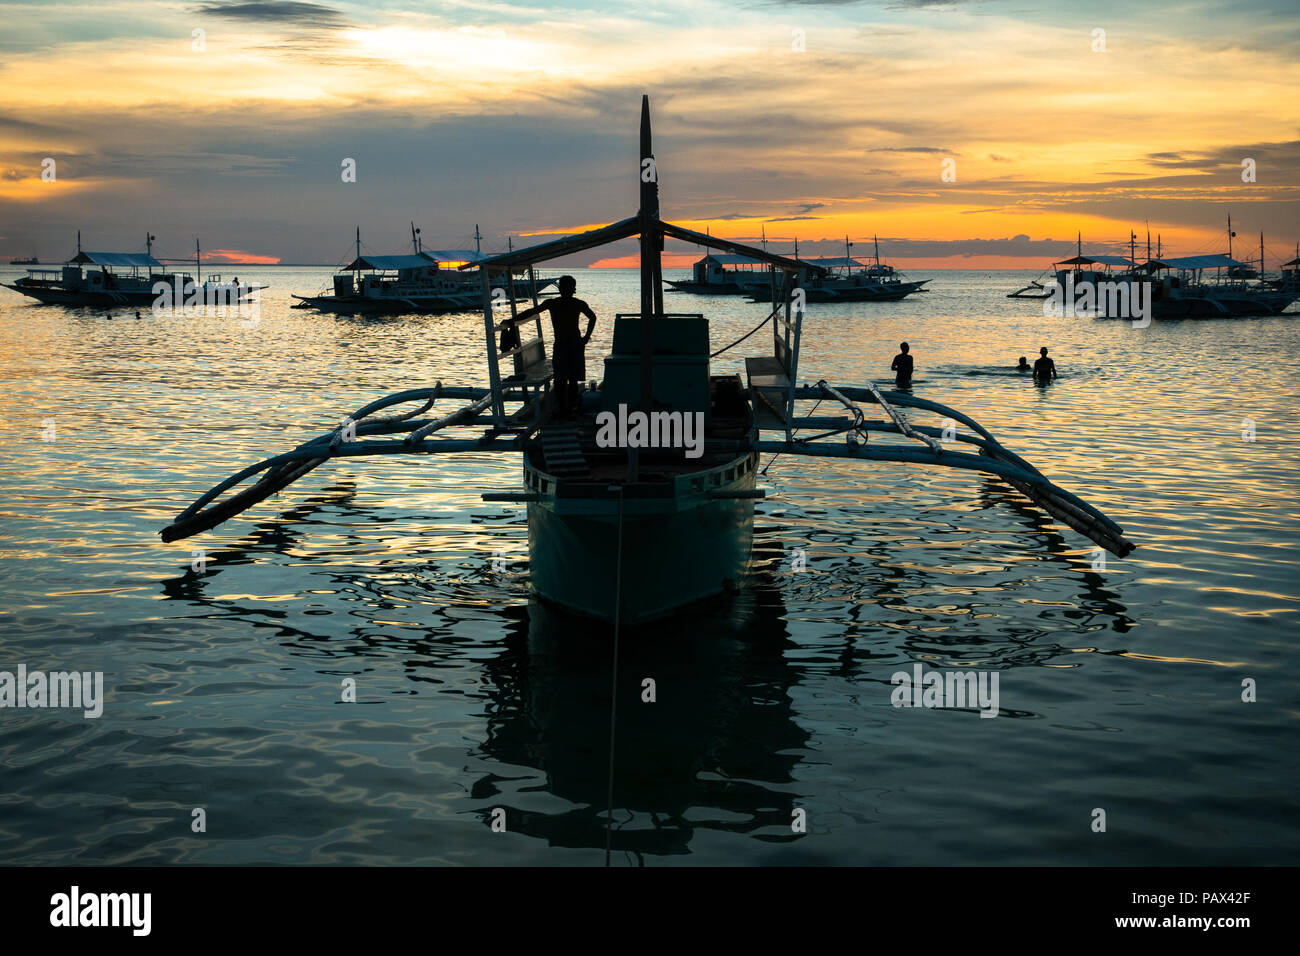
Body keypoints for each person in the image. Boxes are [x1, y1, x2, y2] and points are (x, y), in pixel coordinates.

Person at [504, 274, 596, 416]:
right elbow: (592, 317)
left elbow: (531, 312)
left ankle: (565, 409)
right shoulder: (573, 303)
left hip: (567, 344)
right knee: (567, 379)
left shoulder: (556, 304)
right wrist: (585, 338)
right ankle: (567, 409)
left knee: (564, 379)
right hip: (571, 344)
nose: (566, 290)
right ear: (572, 289)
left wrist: (586, 338)